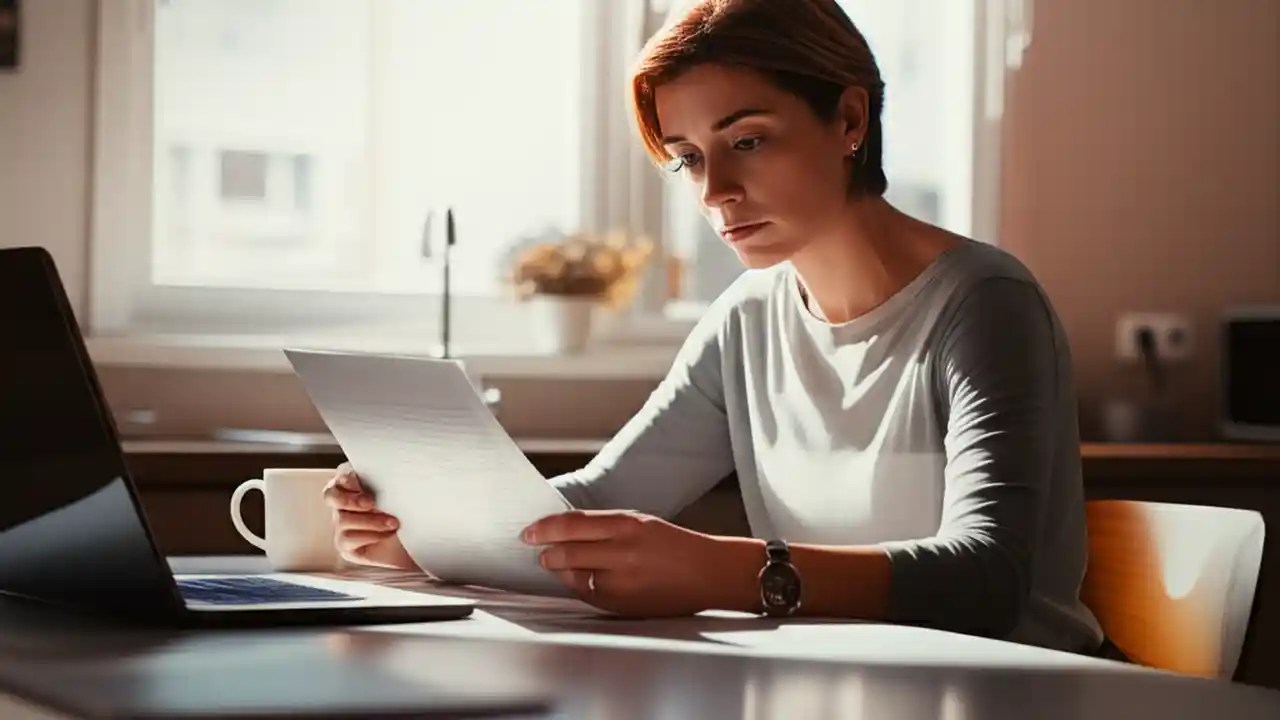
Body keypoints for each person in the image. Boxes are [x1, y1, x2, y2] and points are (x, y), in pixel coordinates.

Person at [323, 0, 1105, 655]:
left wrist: (725, 571)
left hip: (1012, 691)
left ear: (850, 119)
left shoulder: (984, 304)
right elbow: (598, 499)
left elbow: (985, 580)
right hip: (840, 685)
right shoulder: (746, 320)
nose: (716, 192)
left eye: (749, 140)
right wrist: (423, 531)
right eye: (689, 158)